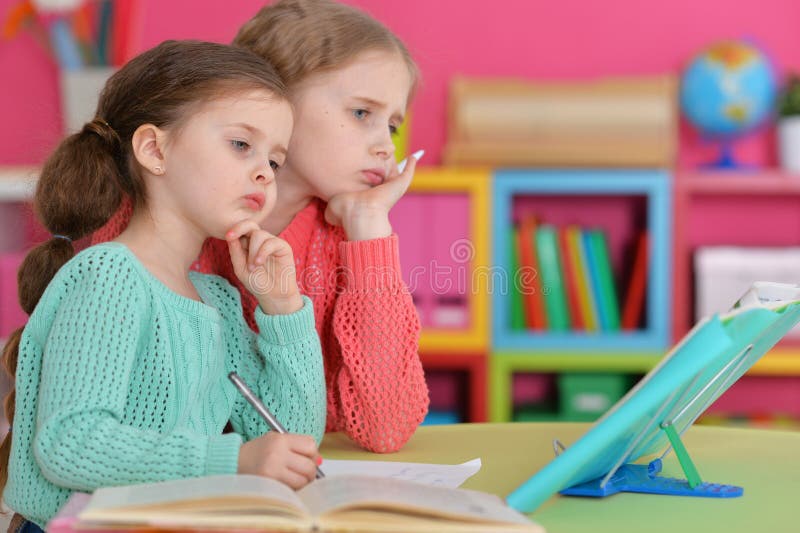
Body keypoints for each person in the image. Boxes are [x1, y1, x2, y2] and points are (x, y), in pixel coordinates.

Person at [0, 40, 327, 531]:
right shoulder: (108, 277)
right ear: (154, 149)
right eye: (241, 144)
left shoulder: (215, 299)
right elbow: (69, 445)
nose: (264, 171)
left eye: (275, 161)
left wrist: (282, 308)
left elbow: (289, 438)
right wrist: (230, 461)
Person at [93, 0, 429, 453]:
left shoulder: (344, 239)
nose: (383, 146)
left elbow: (386, 428)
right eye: (362, 113)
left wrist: (369, 225)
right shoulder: (153, 218)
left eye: (391, 126)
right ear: (277, 95)